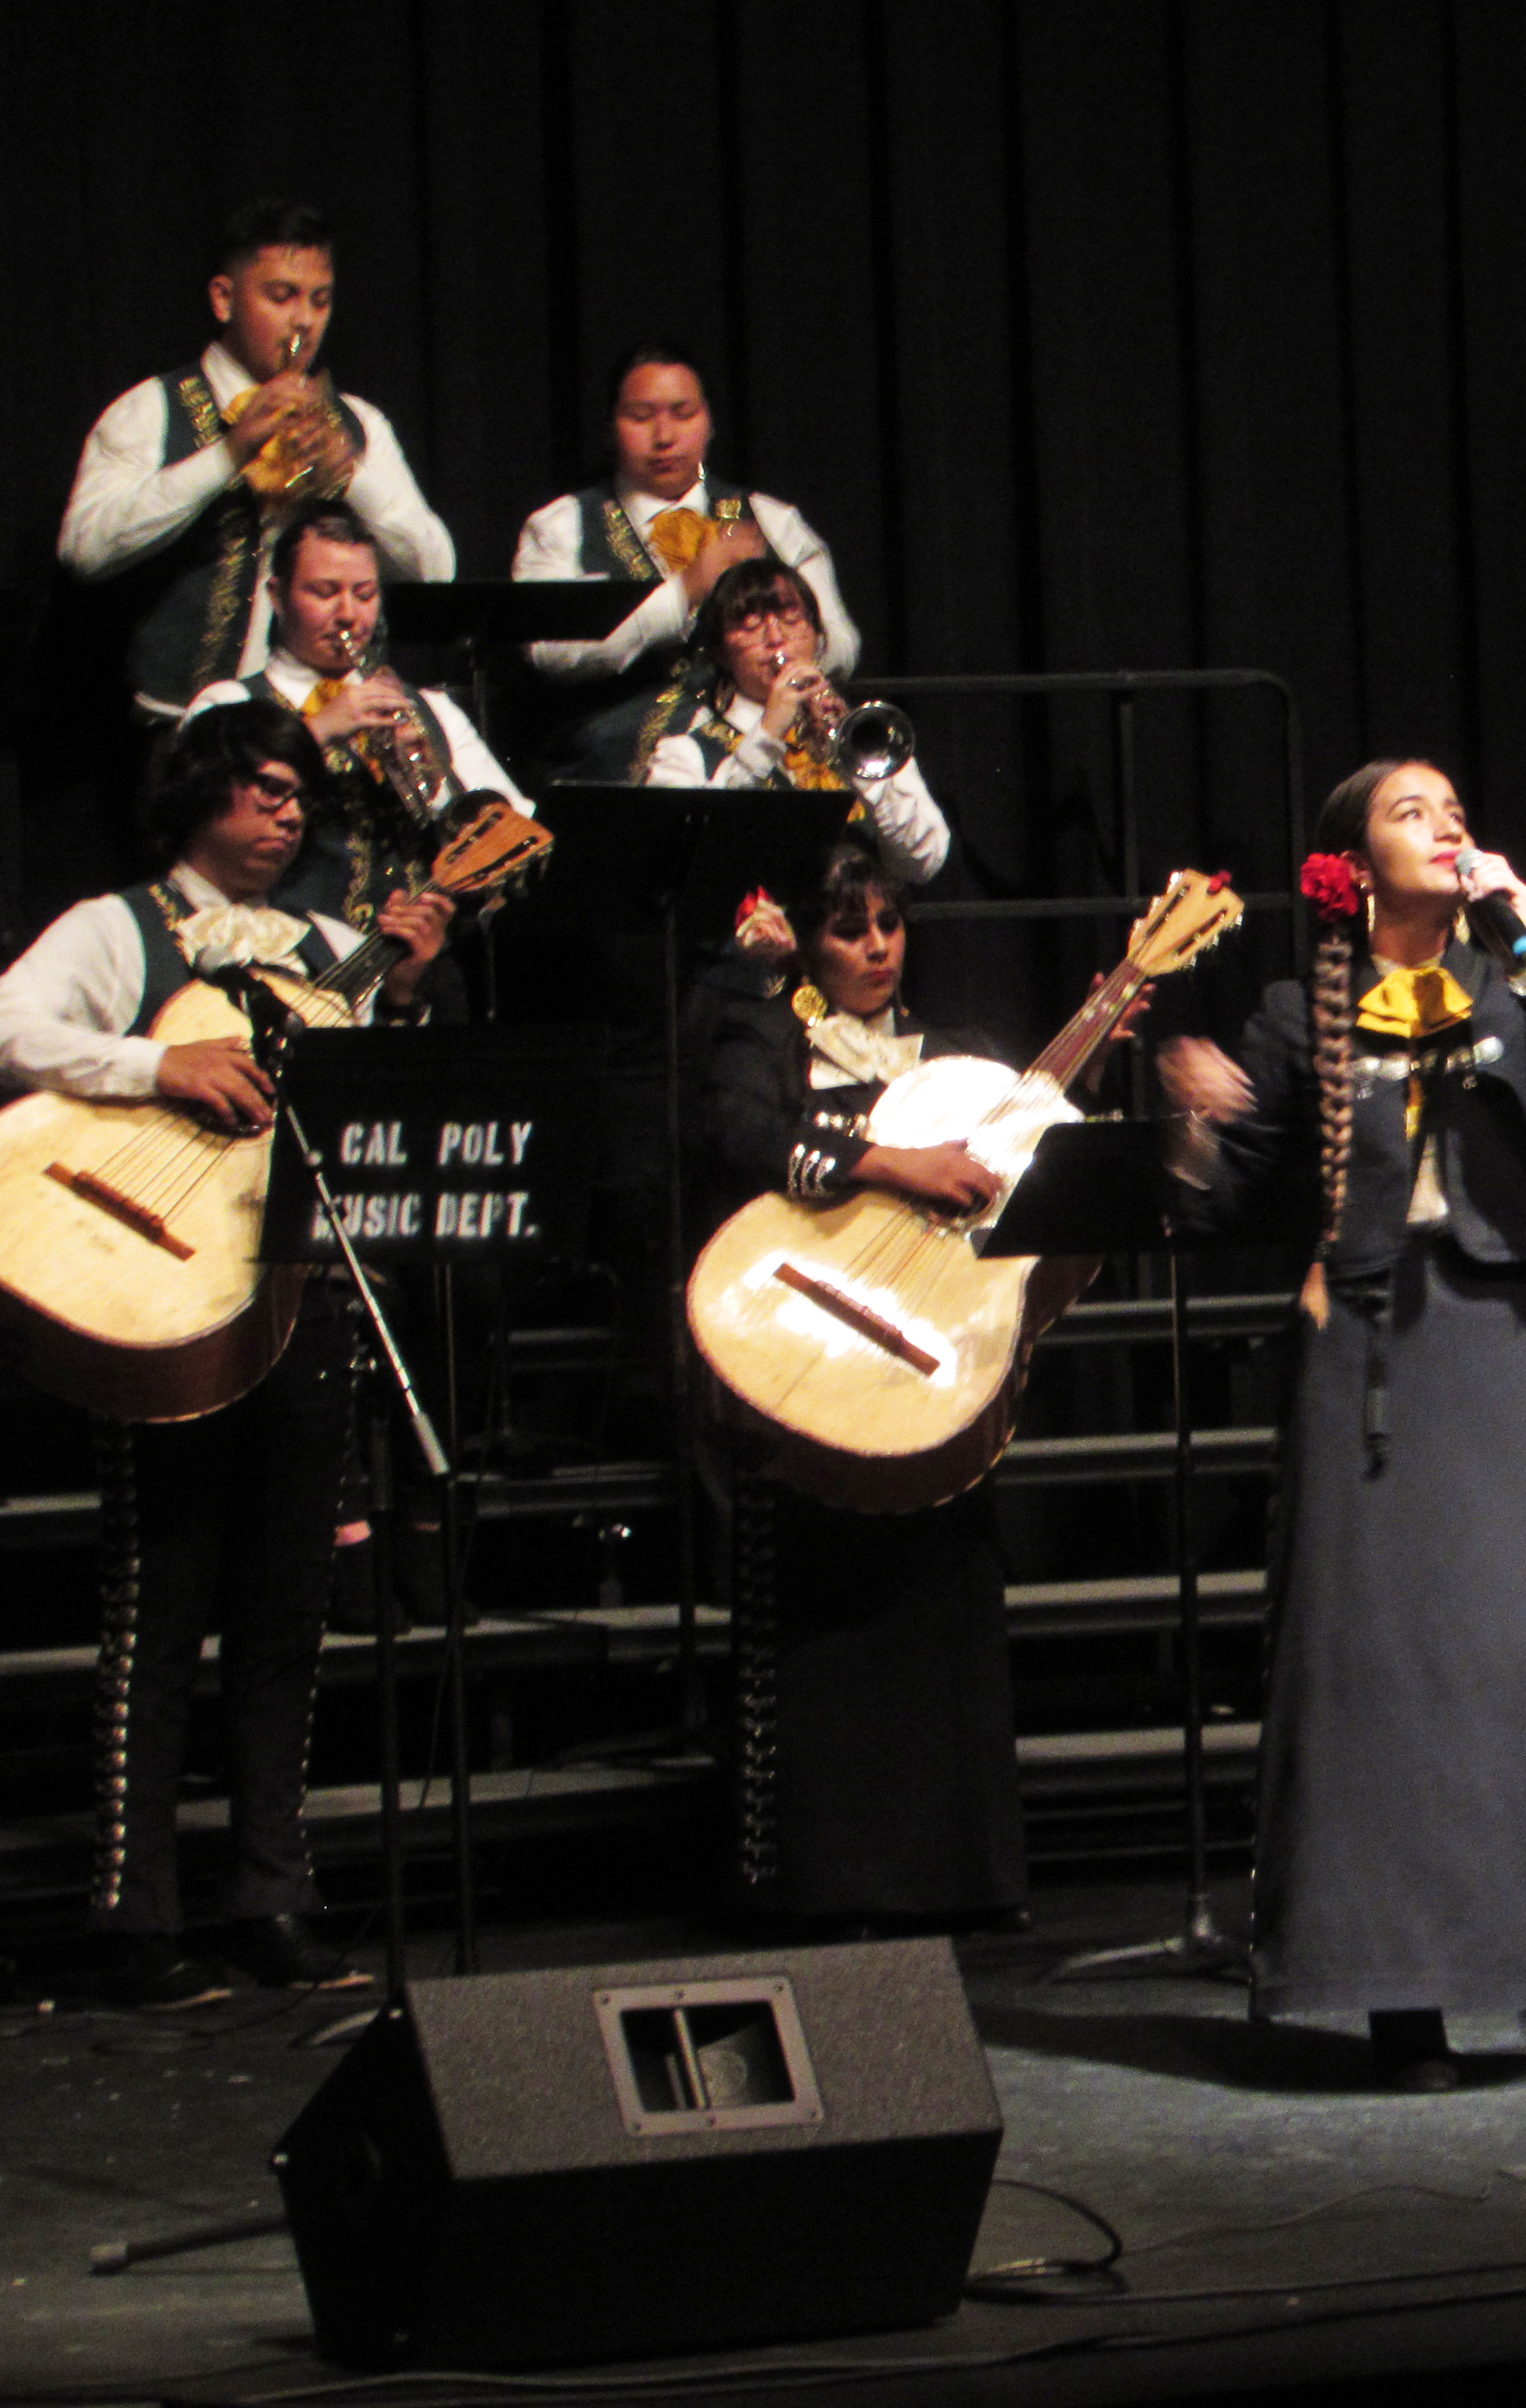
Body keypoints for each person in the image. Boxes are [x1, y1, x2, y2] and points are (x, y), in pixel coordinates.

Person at [1158, 760, 1526, 2089]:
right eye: (1408, 811)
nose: (1444, 822)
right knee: (1378, 1681)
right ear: (1352, 865)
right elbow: (1226, 1205)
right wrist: (1194, 1130)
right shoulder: (1293, 1013)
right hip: (1367, 1347)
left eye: (1452, 806)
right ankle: (1403, 2001)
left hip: (1500, 1341)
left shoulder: (1508, 981)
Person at [0, 702, 454, 2006]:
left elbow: (379, 1124)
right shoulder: (116, 929)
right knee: (160, 1605)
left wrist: (398, 995)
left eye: (299, 793)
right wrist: (153, 1068)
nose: (288, 811)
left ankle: (272, 1897)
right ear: (198, 799)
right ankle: (133, 1915)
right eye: (263, 789)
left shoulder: (334, 943)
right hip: (156, 1295)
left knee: (285, 1610)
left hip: (296, 1291)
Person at [696, 844, 1031, 1927]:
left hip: (928, 1368)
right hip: (811, 1356)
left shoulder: (958, 1056)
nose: (878, 946)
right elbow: (740, 1138)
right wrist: (892, 1165)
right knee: (817, 1633)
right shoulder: (770, 1039)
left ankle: (955, 1883)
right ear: (807, 939)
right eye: (850, 928)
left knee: (938, 1617)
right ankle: (811, 1887)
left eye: (890, 922)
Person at [59, 199, 456, 723]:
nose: (305, 321)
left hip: (330, 727)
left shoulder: (359, 423)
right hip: (184, 729)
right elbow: (85, 548)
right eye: (282, 296)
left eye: (320, 301)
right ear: (224, 300)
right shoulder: (152, 409)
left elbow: (437, 569)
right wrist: (227, 456)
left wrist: (352, 479)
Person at [513, 344, 861, 782]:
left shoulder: (769, 518)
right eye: (640, 417)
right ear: (610, 428)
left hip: (770, 768)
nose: (664, 437)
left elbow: (841, 643)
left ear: (710, 422)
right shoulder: (563, 525)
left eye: (684, 413)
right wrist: (686, 590)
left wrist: (782, 658)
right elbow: (553, 652)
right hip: (615, 783)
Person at [185, 500, 528, 930]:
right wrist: (318, 731)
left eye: (365, 594)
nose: (348, 615)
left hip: (414, 962)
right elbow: (197, 815)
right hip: (284, 954)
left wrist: (433, 786)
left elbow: (514, 834)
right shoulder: (227, 704)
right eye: (324, 593)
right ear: (277, 596)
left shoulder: (430, 709)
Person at [644, 558, 947, 886]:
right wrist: (768, 732)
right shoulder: (683, 753)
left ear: (818, 637)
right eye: (750, 625)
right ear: (720, 652)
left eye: (791, 618)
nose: (775, 637)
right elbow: (693, 866)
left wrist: (861, 765)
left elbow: (924, 862)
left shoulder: (868, 737)